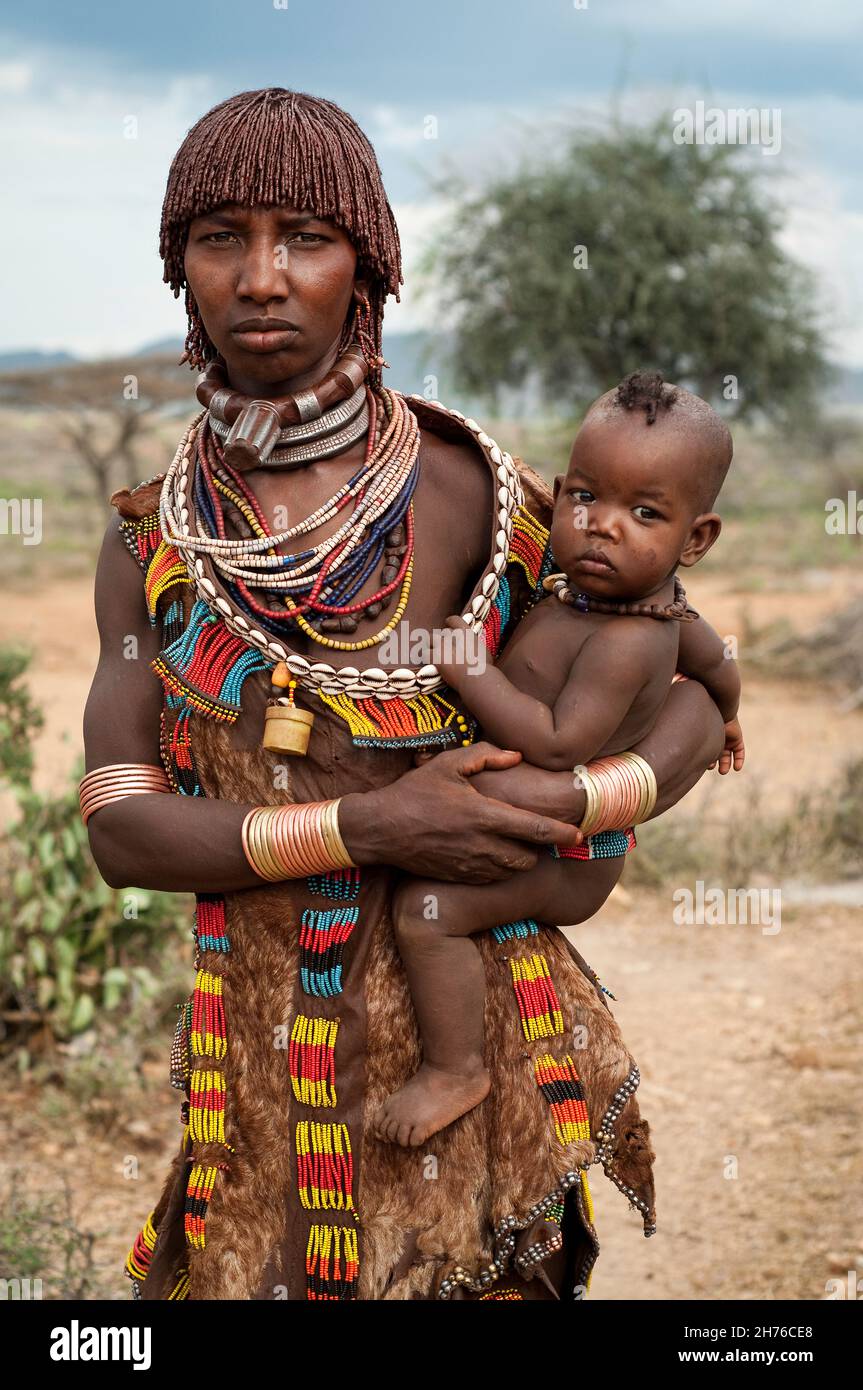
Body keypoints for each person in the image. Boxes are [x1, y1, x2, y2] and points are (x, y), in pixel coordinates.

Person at [82, 88, 724, 1301]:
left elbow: (681, 677)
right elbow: (121, 828)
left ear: (364, 268)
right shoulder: (153, 548)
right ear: (181, 268)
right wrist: (369, 825)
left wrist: (583, 797)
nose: (261, 277)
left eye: (305, 238)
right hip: (265, 1066)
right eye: (220, 238)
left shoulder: (480, 499)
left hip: (480, 1047)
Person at [377, 372, 744, 1148]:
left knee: (425, 913)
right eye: (583, 498)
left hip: (574, 855)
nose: (601, 527)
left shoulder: (628, 639)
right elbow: (716, 666)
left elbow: (555, 742)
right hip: (547, 809)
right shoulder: (612, 599)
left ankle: (455, 1070)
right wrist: (731, 713)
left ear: (696, 539)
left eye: (644, 513)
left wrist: (466, 667)